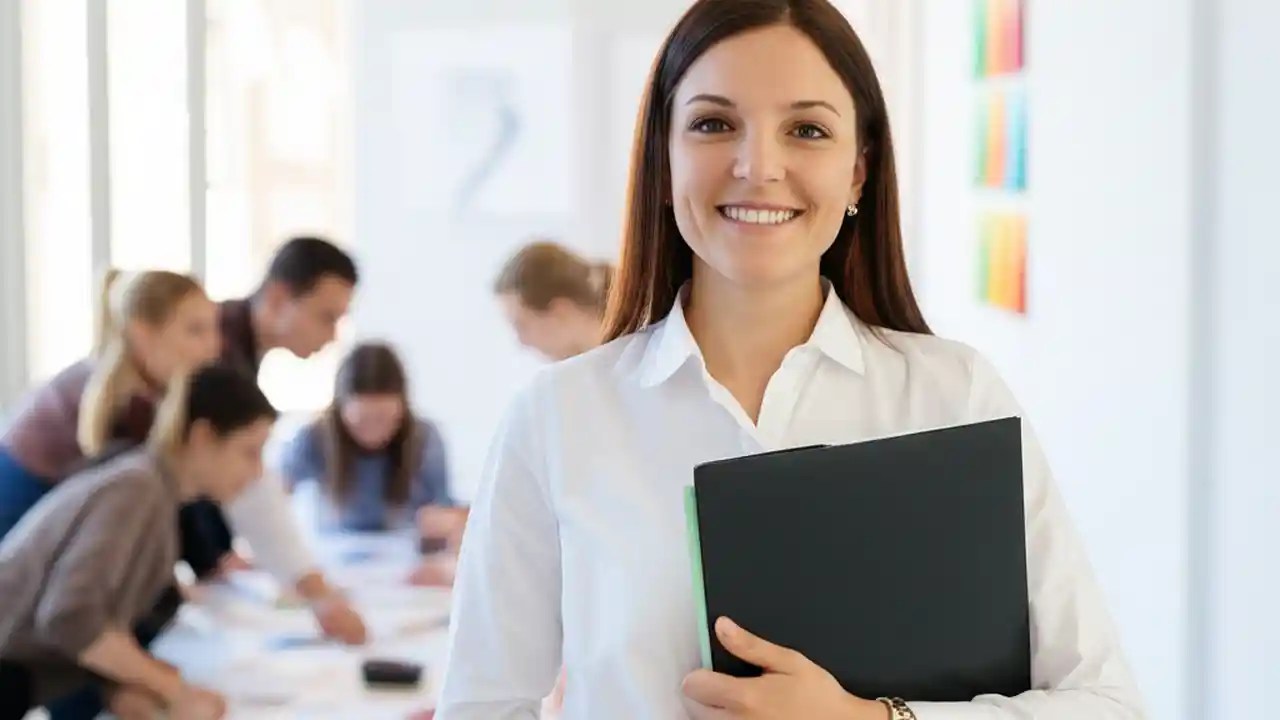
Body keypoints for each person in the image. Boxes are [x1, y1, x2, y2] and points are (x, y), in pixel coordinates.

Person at [437, 1, 1145, 719]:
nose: (758, 166)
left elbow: (1106, 704)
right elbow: (483, 704)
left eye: (806, 130)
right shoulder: (559, 416)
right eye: (714, 124)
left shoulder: (954, 396)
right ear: (664, 155)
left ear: (859, 172)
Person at [0, 364, 278, 720]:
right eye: (249, 452)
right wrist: (172, 689)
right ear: (203, 436)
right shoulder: (137, 487)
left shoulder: (158, 493)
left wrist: (136, 692)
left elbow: (93, 633)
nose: (256, 473)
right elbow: (69, 618)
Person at [180, 236, 370, 647]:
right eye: (326, 317)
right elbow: (242, 482)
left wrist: (212, 556)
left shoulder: (239, 349)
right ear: (280, 298)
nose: (334, 335)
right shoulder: (216, 350)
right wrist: (317, 592)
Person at [0, 270, 219, 539]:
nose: (213, 347)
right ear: (143, 333)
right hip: (17, 522)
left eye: (213, 329)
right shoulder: (125, 404)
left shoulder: (145, 391)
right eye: (195, 331)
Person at [280, 341, 456, 534]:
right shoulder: (314, 437)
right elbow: (275, 492)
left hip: (408, 553)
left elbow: (445, 507)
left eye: (382, 418)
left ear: (402, 407)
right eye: (362, 421)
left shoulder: (424, 438)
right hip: (334, 551)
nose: (373, 432)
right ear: (340, 410)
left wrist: (444, 521)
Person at [493, 240, 614, 362]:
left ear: (562, 312)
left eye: (521, 325)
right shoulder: (600, 369)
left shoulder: (627, 367)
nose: (522, 342)